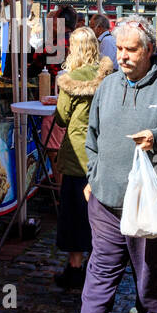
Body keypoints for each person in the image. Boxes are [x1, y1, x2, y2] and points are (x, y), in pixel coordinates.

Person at [45, 17, 157, 313]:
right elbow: (92, 136)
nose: (123, 56)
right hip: (105, 196)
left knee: (150, 267)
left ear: (148, 50)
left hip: (151, 198)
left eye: (131, 50)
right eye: (119, 49)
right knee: (101, 265)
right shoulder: (108, 85)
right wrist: (93, 178)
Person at [52, 27, 115, 289]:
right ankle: (96, 265)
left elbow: (61, 118)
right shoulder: (110, 76)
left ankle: (75, 267)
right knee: (100, 212)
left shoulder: (71, 80)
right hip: (104, 150)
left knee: (74, 211)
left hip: (78, 152)